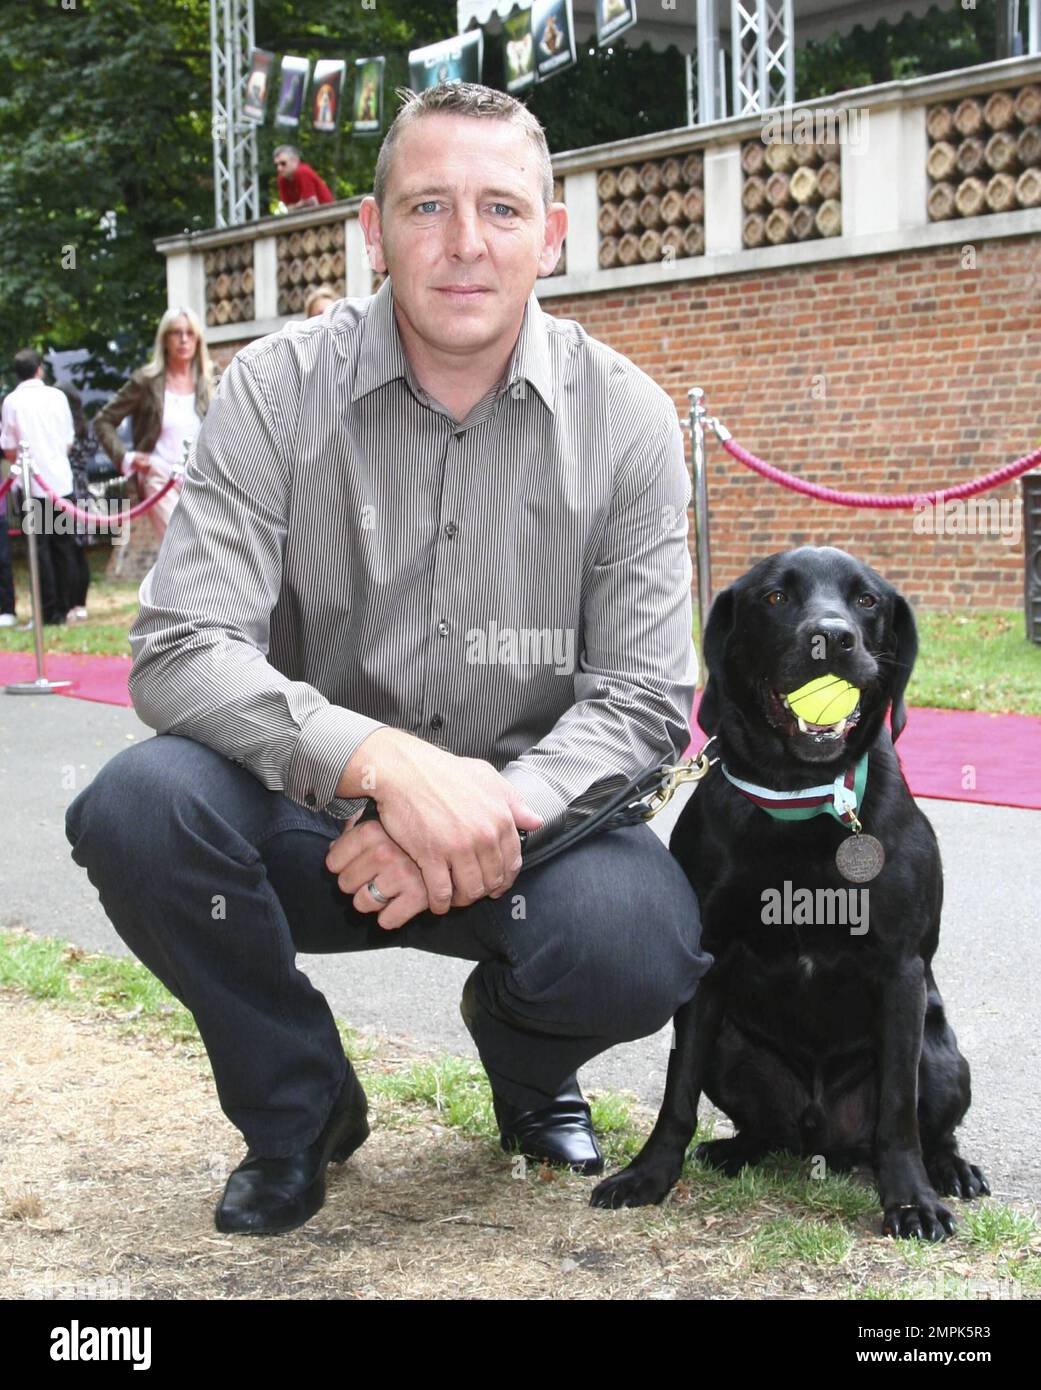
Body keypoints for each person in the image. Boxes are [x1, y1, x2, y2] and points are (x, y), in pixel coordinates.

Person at [65, 81, 709, 1238]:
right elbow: (179, 647)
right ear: (373, 230)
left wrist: (479, 818)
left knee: (641, 938)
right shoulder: (274, 388)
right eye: (427, 207)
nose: (466, 244)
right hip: (311, 820)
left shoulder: (632, 423)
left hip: (533, 837)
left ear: (552, 237)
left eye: (502, 210)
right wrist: (379, 765)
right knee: (138, 807)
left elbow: (645, 697)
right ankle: (299, 1105)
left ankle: (527, 1071)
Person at [93, 307, 218, 545]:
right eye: (176, 333)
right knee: (181, 546)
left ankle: (164, 583)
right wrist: (126, 457)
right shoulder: (147, 380)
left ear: (198, 339)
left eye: (190, 333)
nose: (183, 340)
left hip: (202, 479)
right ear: (164, 339)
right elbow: (103, 421)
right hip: (160, 476)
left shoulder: (211, 379)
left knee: (206, 549)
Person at [0, 350, 80, 625]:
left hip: (33, 484)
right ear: (39, 370)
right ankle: (64, 606)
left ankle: (48, 611)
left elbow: (8, 447)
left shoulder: (12, 402)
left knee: (41, 548)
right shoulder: (57, 397)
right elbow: (69, 438)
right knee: (62, 545)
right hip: (59, 479)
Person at [57, 384, 94, 622]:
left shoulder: (63, 426)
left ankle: (70, 602)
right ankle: (81, 603)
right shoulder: (86, 427)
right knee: (81, 552)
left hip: (66, 486)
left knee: (67, 550)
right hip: (83, 487)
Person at [274, 144, 334, 210]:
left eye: (283, 163)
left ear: (295, 160)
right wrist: (301, 204)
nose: (279, 168)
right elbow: (288, 207)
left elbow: (311, 203)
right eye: (276, 165)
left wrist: (296, 206)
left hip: (328, 212)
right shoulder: (281, 179)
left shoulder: (303, 172)